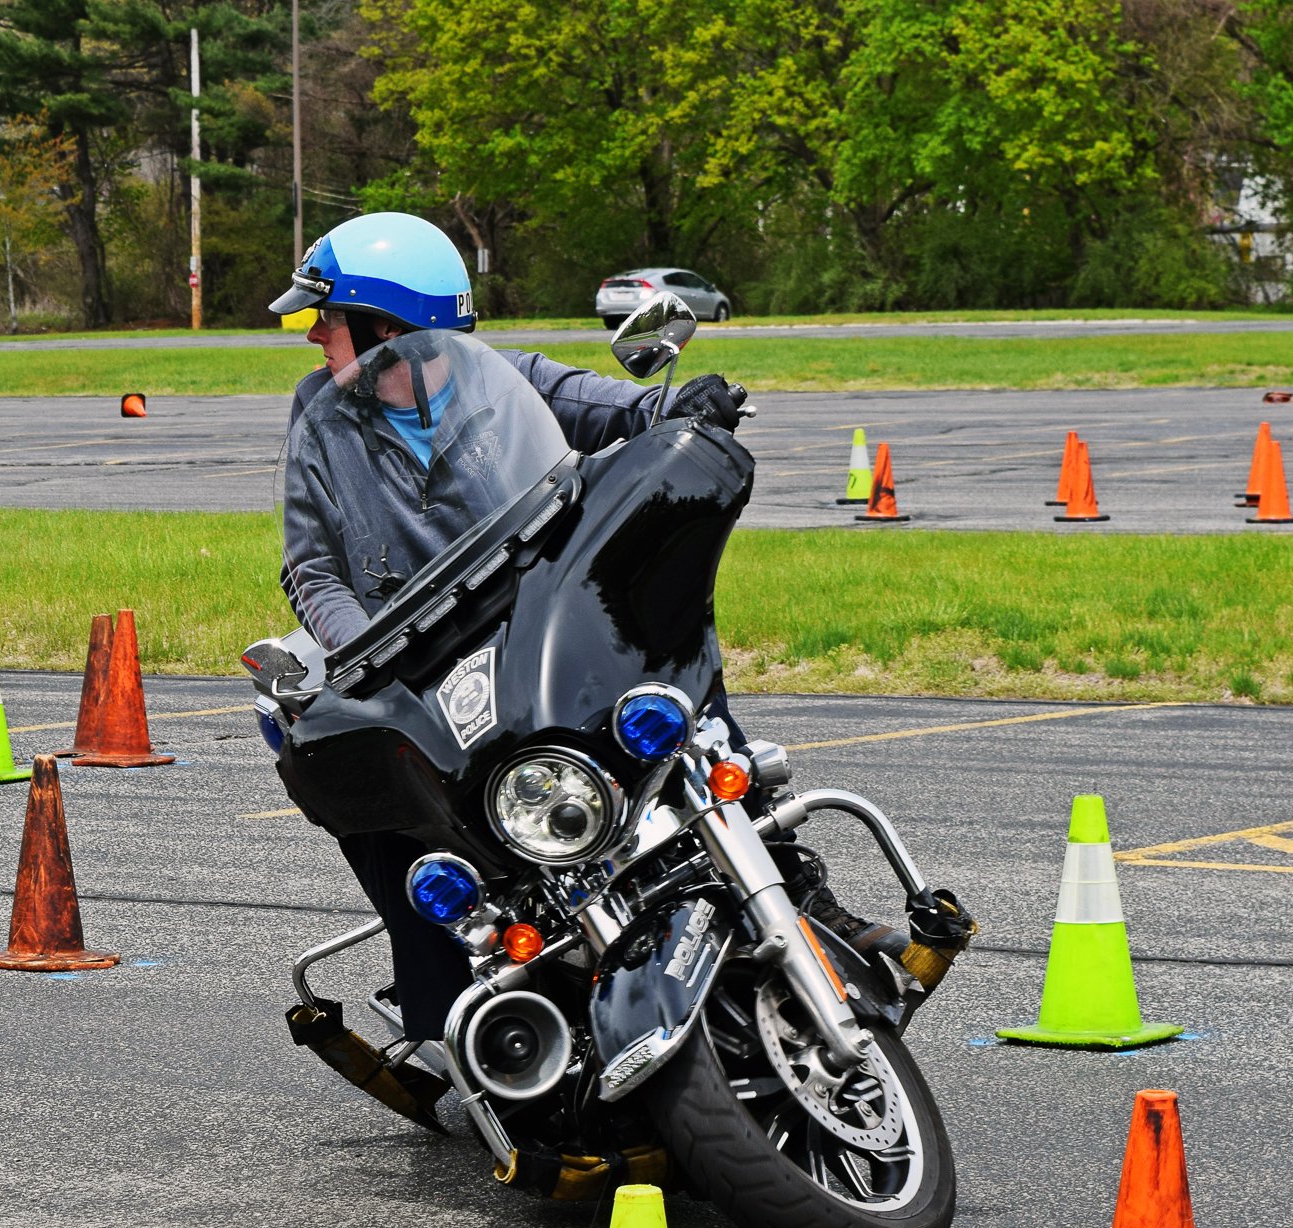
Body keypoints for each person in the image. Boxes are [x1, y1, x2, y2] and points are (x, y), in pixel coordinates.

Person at [270, 213, 960, 1050]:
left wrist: (680, 407)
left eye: (326, 321)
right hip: (418, 658)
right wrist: (364, 657)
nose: (315, 339)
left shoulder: (507, 381)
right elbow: (312, 568)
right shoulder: (321, 414)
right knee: (355, 762)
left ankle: (803, 903)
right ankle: (452, 998)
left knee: (670, 689)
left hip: (536, 625)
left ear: (389, 328)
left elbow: (614, 410)